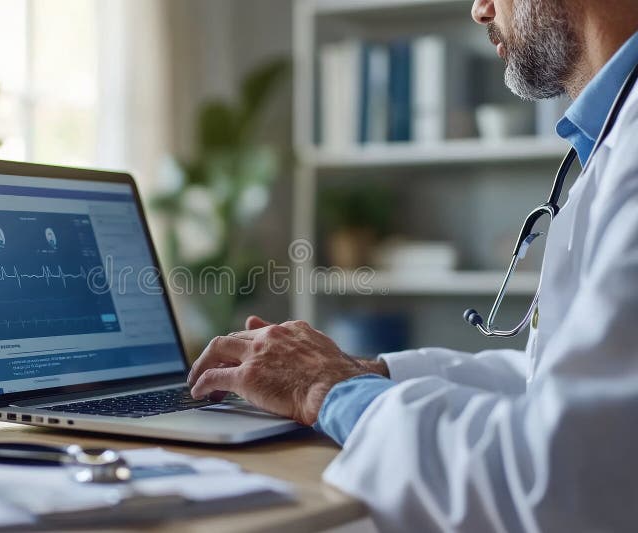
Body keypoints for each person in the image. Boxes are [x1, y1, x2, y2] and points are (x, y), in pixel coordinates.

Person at [187, 0, 638, 531]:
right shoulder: (614, 136)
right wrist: (368, 374)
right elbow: (568, 392)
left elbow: (562, 479)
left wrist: (327, 390)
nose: (480, 9)